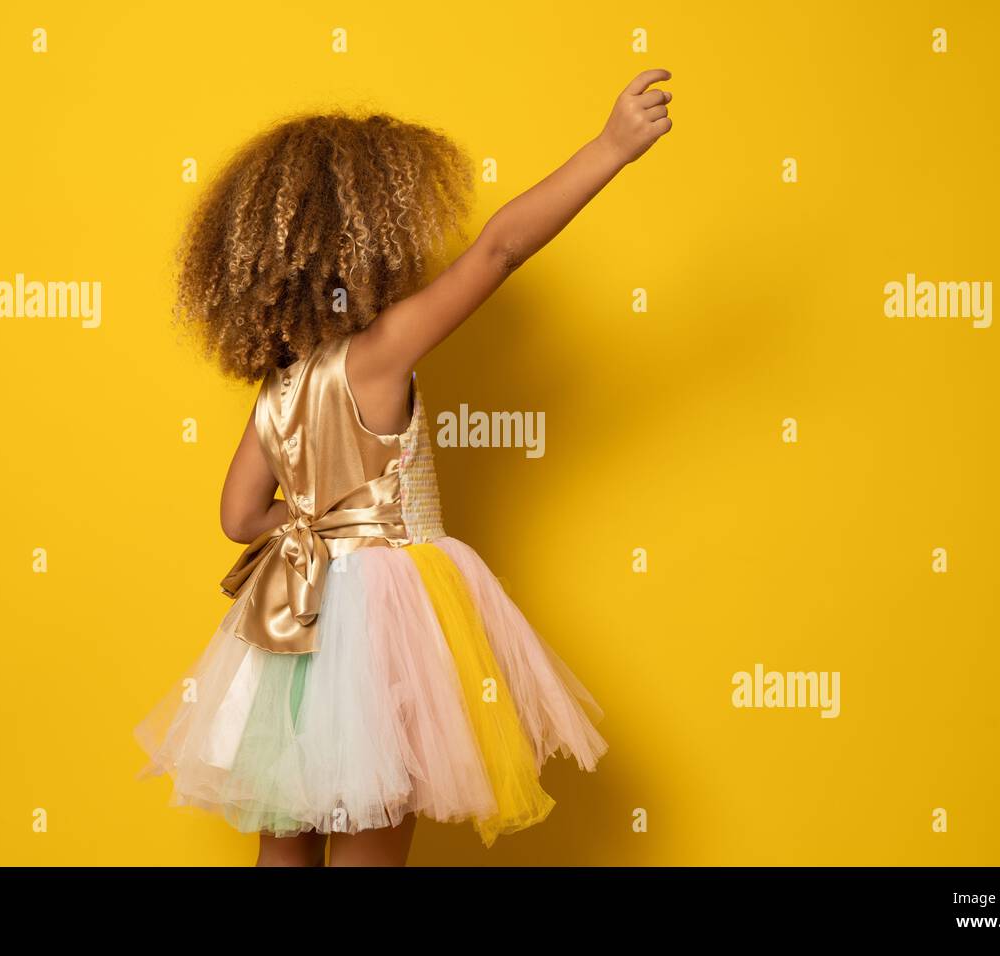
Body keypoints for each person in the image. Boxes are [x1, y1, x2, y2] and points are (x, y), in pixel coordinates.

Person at [134, 69, 673, 866]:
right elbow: (500, 248)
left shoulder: (276, 389)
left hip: (297, 627)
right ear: (371, 243)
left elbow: (240, 518)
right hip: (385, 627)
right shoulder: (383, 353)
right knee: (373, 833)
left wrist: (319, 523)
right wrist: (609, 149)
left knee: (285, 837)